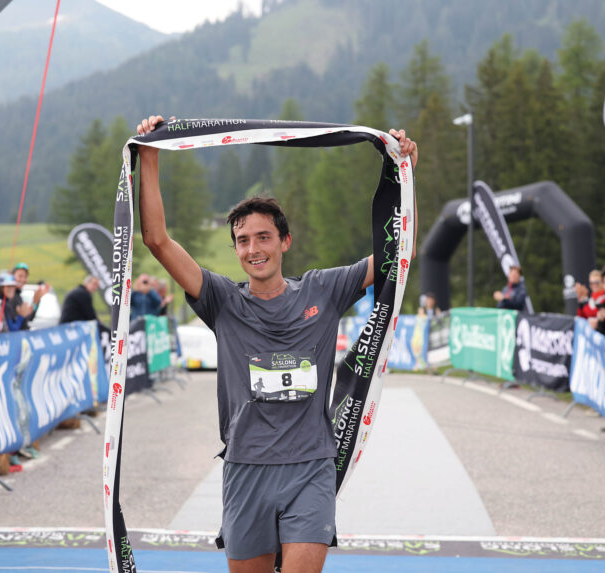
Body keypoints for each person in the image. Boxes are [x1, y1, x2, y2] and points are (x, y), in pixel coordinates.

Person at [136, 114, 417, 573]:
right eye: (243, 241)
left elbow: (396, 253)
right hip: (246, 469)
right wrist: (150, 153)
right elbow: (157, 239)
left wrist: (405, 176)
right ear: (236, 251)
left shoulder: (322, 291)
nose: (253, 249)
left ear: (284, 241)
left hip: (311, 467)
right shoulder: (222, 300)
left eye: (263, 237)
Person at [10, 262, 49, 331]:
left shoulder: (18, 296)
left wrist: (36, 301)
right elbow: (17, 325)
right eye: (20, 276)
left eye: (25, 277)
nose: (23, 279)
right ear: (12, 276)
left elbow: (28, 318)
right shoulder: (10, 297)